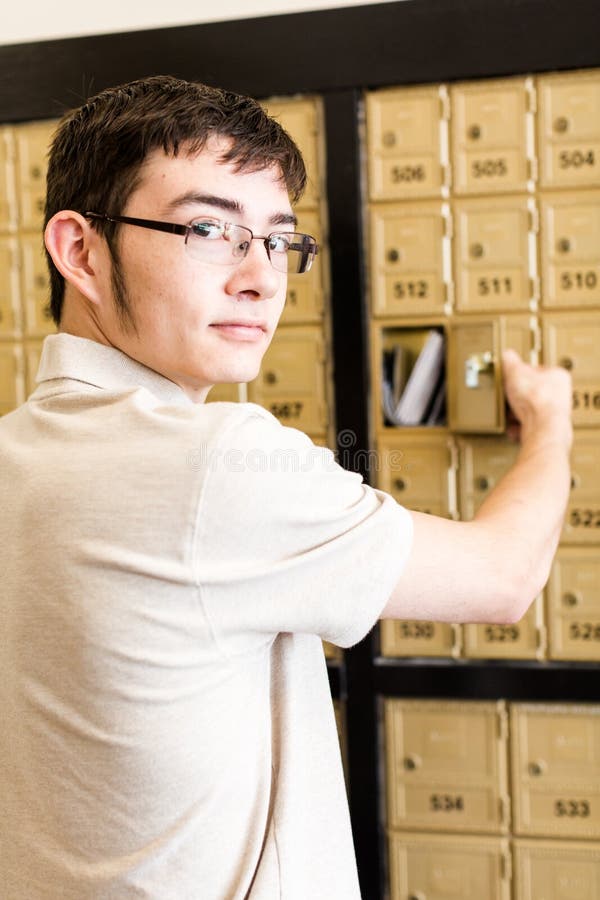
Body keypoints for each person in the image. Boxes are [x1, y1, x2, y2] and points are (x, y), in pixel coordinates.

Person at [0, 75, 572, 899]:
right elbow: (505, 577)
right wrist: (552, 426)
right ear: (79, 249)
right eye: (208, 229)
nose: (262, 278)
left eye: (279, 240)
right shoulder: (215, 462)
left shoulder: (17, 450)